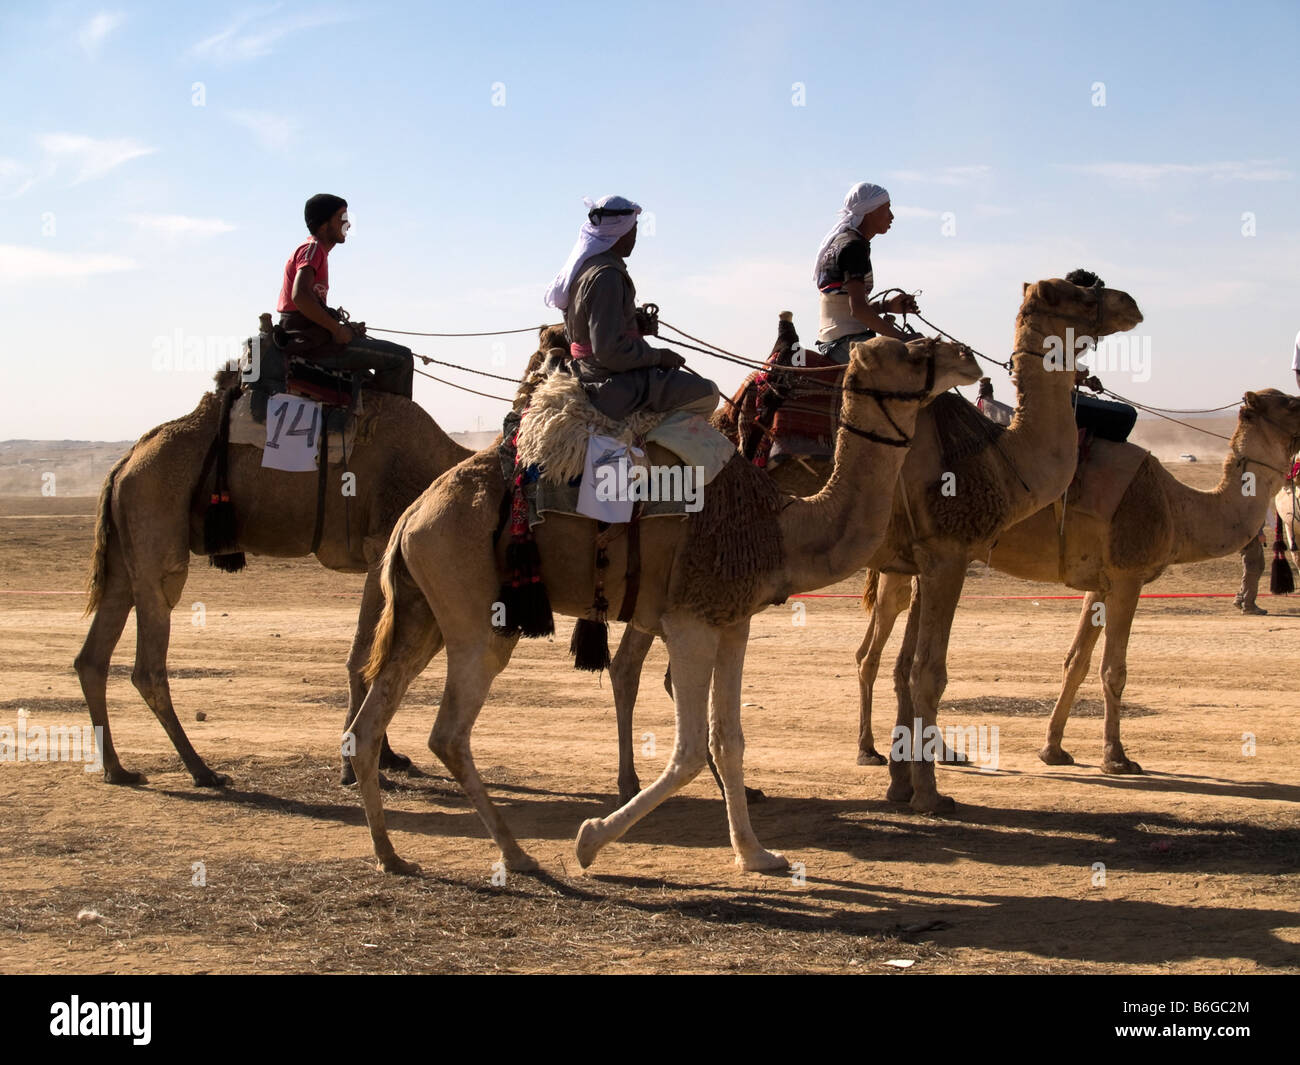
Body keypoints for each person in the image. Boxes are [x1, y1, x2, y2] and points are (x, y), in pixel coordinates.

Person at [544, 195, 717, 421]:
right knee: (707, 393)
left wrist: (633, 324)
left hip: (588, 370)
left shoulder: (584, 269)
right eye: (633, 230)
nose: (635, 237)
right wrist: (658, 357)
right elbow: (609, 352)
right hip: (608, 382)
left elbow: (586, 331)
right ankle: (652, 449)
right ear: (620, 232)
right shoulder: (607, 276)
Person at [276, 193, 414, 399]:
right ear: (324, 226)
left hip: (311, 337)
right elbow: (300, 296)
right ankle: (383, 424)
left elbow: (308, 302)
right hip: (309, 343)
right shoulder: (313, 250)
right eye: (342, 218)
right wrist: (336, 329)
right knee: (401, 358)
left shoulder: (315, 251)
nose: (348, 224)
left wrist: (343, 328)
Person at [813, 181, 920, 363]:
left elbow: (847, 308)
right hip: (845, 344)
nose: (891, 216)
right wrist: (903, 338)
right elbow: (859, 311)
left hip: (838, 341)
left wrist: (886, 306)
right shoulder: (854, 247)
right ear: (870, 211)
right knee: (919, 358)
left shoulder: (846, 242)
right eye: (886, 209)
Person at [1234, 523, 1268, 615]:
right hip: (1250, 536)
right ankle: (1248, 605)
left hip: (1250, 536)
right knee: (1253, 569)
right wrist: (1259, 532)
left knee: (1259, 566)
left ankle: (1241, 597)